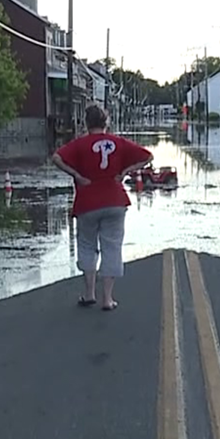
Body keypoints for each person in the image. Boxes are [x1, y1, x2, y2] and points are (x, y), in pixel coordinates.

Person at [52, 105, 153, 311]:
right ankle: (107, 298)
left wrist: (77, 176)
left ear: (86, 123)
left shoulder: (80, 144)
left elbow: (56, 158)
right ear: (106, 122)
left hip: (87, 201)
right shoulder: (119, 142)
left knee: (87, 246)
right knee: (112, 247)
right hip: (115, 199)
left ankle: (89, 294)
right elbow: (148, 157)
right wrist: (125, 171)